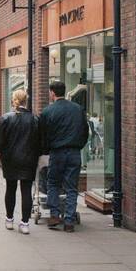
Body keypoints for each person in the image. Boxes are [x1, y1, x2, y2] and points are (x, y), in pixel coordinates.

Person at [39, 78, 89, 231]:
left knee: (53, 183)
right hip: (74, 152)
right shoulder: (78, 109)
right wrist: (78, 146)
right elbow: (85, 131)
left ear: (52, 93)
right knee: (71, 188)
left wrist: (45, 150)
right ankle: (69, 220)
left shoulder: (48, 111)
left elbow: (43, 134)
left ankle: (54, 216)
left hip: (57, 152)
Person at [0, 88, 40, 233]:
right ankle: (25, 223)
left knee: (10, 188)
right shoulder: (34, 120)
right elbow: (40, 141)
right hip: (29, 159)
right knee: (26, 190)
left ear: (14, 101)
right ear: (26, 100)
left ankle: (9, 219)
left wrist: (3, 152)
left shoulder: (5, 119)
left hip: (10, 158)